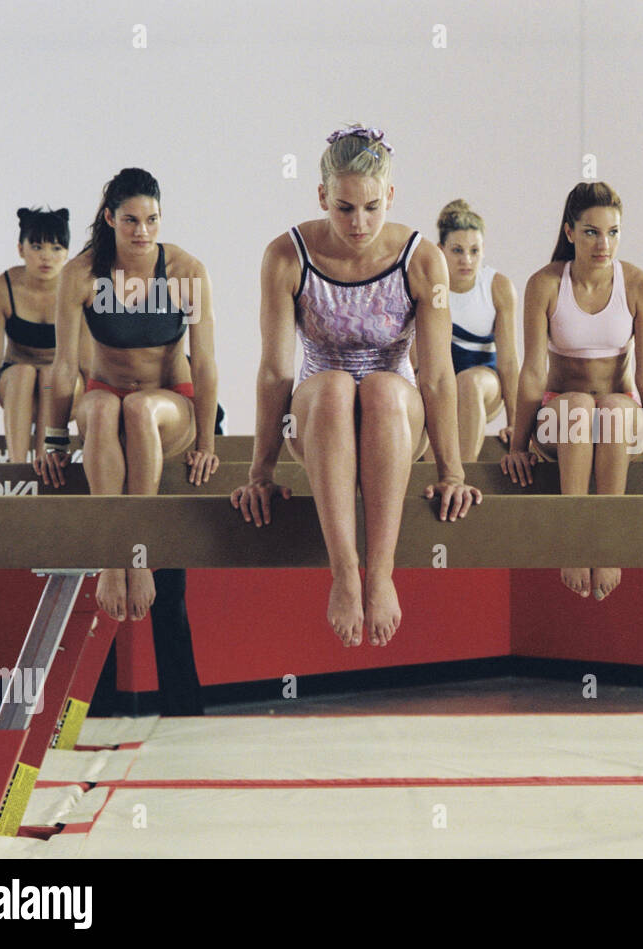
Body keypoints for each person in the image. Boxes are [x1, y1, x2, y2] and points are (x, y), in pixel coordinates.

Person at [232, 125, 481, 648]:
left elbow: (436, 375)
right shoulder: (287, 255)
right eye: (344, 208)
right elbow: (276, 371)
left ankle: (381, 571)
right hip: (319, 418)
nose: (359, 222)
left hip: (396, 419)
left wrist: (451, 471)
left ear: (390, 195)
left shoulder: (422, 259)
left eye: (371, 207)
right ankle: (345, 572)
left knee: (384, 388)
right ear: (322, 196)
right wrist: (260, 470)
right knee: (335, 386)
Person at [35, 168, 220, 623]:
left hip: (168, 400)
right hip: (105, 393)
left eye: (152, 220)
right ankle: (111, 557)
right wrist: (54, 441)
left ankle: (139, 554)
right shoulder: (80, 273)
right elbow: (63, 366)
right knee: (99, 407)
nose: (143, 231)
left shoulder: (184, 270)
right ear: (110, 219)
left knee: (137, 407)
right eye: (132, 220)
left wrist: (207, 444)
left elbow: (207, 362)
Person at [501, 181, 643, 601]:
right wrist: (518, 443)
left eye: (613, 232)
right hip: (560, 421)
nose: (604, 243)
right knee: (581, 406)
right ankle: (574, 542)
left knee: (614, 408)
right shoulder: (545, 284)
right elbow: (531, 372)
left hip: (620, 421)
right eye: (591, 232)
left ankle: (608, 544)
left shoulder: (639, 284)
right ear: (569, 232)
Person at [0, 207, 82, 462]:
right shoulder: (2, 289)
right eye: (37, 247)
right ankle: (17, 468)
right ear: (21, 249)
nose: (46, 258)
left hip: (62, 386)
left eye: (56, 248)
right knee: (24, 373)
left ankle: (46, 461)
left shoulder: (76, 288)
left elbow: (89, 361)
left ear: (67, 254)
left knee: (50, 375)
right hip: (17, 388)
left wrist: (93, 429)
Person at [436, 199, 518, 460]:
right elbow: (417, 360)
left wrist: (517, 423)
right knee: (431, 386)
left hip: (484, 385)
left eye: (474, 250)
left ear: (484, 250)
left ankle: (464, 478)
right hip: (441, 384)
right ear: (441, 250)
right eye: (457, 250)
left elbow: (508, 361)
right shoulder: (430, 286)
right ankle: (435, 478)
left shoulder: (497, 286)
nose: (466, 260)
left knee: (468, 383)